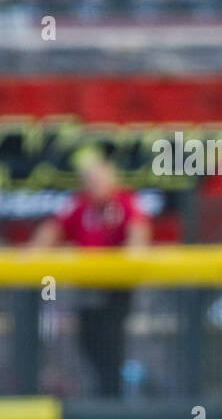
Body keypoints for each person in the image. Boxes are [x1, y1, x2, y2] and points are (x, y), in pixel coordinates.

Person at [27, 149, 151, 397]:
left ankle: (113, 397)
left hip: (115, 288)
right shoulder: (81, 203)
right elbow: (53, 228)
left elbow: (139, 231)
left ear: (111, 180)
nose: (94, 185)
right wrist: (31, 254)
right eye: (90, 180)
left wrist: (132, 259)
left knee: (111, 343)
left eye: (99, 180)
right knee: (87, 340)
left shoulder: (124, 201)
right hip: (87, 287)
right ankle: (102, 393)